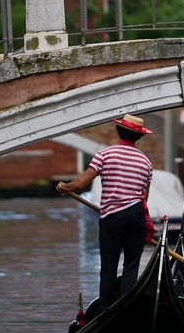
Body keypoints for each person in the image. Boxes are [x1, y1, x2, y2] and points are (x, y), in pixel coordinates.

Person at [56, 112, 153, 308]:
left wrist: (64, 187)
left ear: (118, 131)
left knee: (108, 267)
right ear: (139, 136)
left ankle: (106, 309)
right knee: (131, 267)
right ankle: (127, 307)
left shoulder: (105, 155)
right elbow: (144, 197)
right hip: (136, 215)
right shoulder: (146, 162)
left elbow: (80, 184)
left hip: (113, 217)